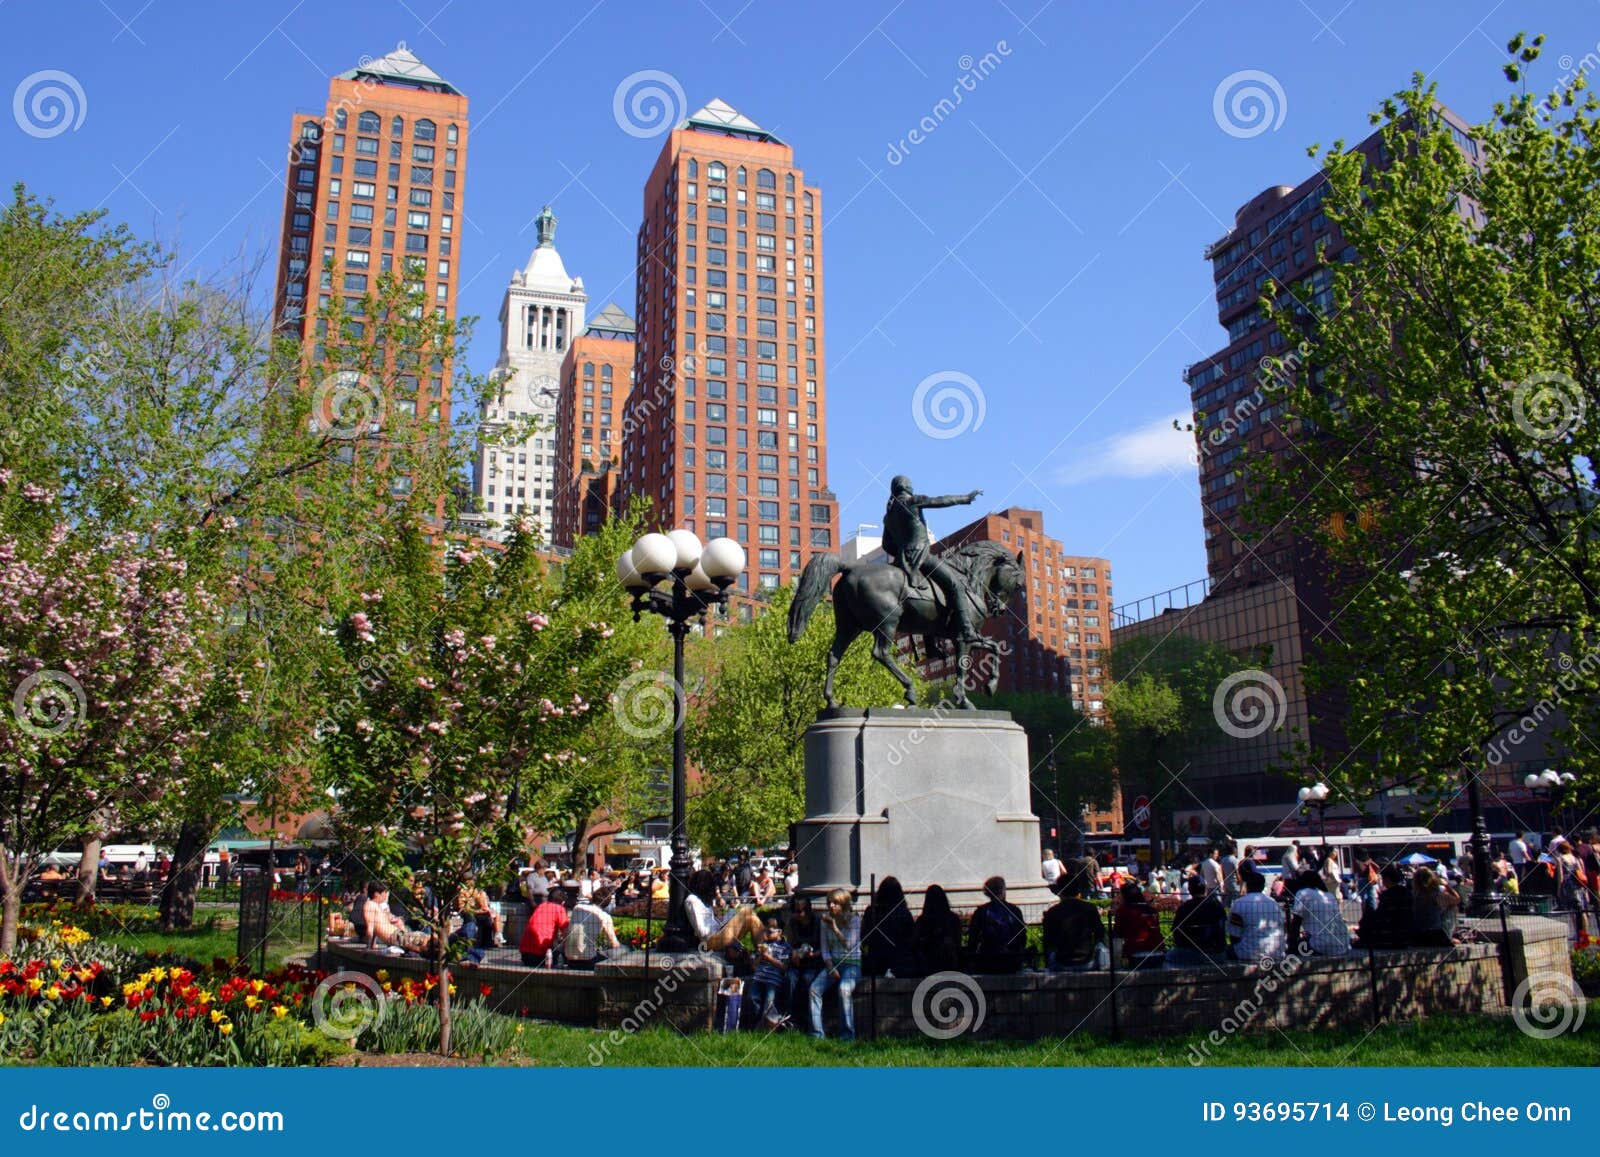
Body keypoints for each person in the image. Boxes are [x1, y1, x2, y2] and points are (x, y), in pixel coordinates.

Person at [881, 475, 986, 643]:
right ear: (907, 487)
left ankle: (931, 645)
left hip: (902, 561)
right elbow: (941, 501)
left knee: (931, 596)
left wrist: (903, 552)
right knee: (956, 586)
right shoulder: (913, 501)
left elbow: (886, 545)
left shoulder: (888, 515)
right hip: (921, 556)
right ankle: (966, 629)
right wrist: (966, 498)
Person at [809, 889, 863, 1041]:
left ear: (844, 905)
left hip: (852, 964)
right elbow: (825, 950)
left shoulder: (854, 921)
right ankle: (817, 1034)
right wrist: (830, 967)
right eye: (829, 903)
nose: (831, 906)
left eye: (835, 903)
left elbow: (849, 945)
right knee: (814, 989)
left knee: (844, 989)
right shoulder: (824, 921)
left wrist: (835, 928)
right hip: (833, 964)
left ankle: (847, 1035)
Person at [1042, 871, 1109, 970]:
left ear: (1060, 891)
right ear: (1078, 891)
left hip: (1062, 963)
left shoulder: (1053, 912)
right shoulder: (1090, 908)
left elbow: (1048, 941)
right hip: (1087, 960)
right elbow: (1100, 934)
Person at [684, 869, 765, 951]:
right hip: (709, 942)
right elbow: (702, 932)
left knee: (751, 917)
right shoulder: (692, 900)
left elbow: (716, 924)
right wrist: (719, 924)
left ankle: (762, 951)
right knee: (746, 911)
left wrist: (730, 911)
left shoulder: (704, 900)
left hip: (718, 933)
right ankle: (766, 942)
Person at [966, 876, 1028, 973]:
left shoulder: (981, 911)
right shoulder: (1014, 910)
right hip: (1010, 959)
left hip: (987, 958)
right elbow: (1022, 936)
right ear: (1003, 890)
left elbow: (973, 937)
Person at [860, 876, 917, 978]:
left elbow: (864, 937)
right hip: (899, 960)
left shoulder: (872, 911)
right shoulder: (903, 912)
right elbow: (911, 938)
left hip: (875, 960)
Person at [1227, 864, 1286, 963]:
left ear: (1247, 886)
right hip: (1276, 952)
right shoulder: (1274, 903)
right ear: (1263, 886)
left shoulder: (1239, 903)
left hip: (1248, 954)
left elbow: (1234, 935)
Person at [1166, 876, 1227, 967]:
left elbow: (1176, 934)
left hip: (1190, 953)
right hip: (1216, 954)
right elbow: (1223, 930)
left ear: (1190, 890)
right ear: (1205, 889)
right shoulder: (1216, 905)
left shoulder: (1184, 908)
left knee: (1168, 955)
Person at [784, 895, 824, 1030]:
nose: (798, 914)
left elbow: (824, 948)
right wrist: (793, 952)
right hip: (796, 962)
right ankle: (790, 1018)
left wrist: (812, 954)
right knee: (790, 979)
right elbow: (788, 944)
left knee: (807, 980)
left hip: (814, 962)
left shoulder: (818, 923)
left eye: (801, 911)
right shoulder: (792, 923)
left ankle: (806, 1019)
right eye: (796, 911)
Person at [1289, 871, 1350, 956]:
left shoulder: (1303, 894)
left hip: (1322, 946)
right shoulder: (1329, 895)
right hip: (1343, 944)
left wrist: (1291, 947)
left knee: (1300, 944)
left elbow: (1296, 923)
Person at [362, 883, 434, 955]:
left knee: (426, 939)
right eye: (384, 892)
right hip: (395, 937)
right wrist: (368, 948)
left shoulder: (375, 905)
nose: (386, 895)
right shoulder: (370, 905)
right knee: (426, 939)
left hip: (398, 935)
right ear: (376, 894)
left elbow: (374, 927)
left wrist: (372, 945)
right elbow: (370, 928)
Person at [746, 917, 791, 1028]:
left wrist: (768, 958)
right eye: (766, 931)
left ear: (779, 931)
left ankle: (768, 1026)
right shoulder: (764, 945)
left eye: (770, 932)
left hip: (773, 979)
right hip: (759, 977)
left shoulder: (785, 947)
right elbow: (754, 966)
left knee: (769, 1003)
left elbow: (784, 966)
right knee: (752, 997)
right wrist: (759, 956)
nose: (767, 934)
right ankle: (759, 1022)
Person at [1357, 864, 1413, 949]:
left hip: (1389, 936)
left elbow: (1380, 916)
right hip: (1406, 934)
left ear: (1387, 879)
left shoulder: (1387, 895)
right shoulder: (1407, 893)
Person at [565, 885, 621, 969]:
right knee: (621, 952)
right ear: (608, 903)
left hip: (569, 959)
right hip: (588, 960)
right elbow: (614, 944)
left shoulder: (577, 908)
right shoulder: (604, 916)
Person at [913, 884, 964, 975]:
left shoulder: (923, 920)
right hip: (950, 965)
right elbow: (958, 943)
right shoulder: (953, 919)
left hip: (929, 965)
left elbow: (916, 943)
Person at [1113, 881, 1163, 965]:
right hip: (1159, 954)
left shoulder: (1123, 912)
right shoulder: (1152, 911)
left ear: (1124, 896)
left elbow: (1117, 934)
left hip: (1136, 956)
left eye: (1120, 894)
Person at [1410, 866, 1460, 947]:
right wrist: (1447, 886)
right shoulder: (1435, 894)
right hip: (1434, 933)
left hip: (1416, 934)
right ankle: (1449, 936)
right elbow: (1457, 899)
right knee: (1452, 907)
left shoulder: (1413, 894)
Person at [520, 888, 570, 967]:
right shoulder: (559, 909)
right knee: (559, 955)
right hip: (542, 955)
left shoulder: (541, 906)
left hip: (525, 954)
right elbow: (566, 932)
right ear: (562, 902)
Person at [1219, 842, 1240, 907]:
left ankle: (1226, 911)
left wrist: (1224, 881)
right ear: (1234, 851)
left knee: (1227, 900)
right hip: (1234, 883)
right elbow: (1237, 872)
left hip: (1227, 882)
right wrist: (1239, 881)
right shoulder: (1235, 860)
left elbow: (1222, 872)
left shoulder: (1223, 859)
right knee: (1236, 899)